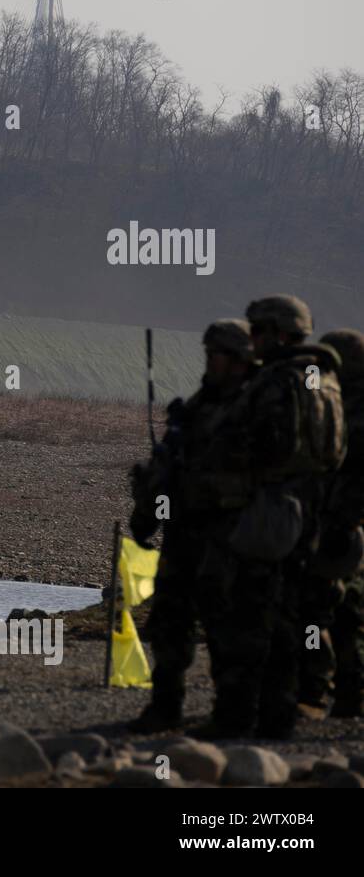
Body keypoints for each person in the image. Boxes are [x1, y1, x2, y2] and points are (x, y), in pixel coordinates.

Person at [191, 295, 345, 739]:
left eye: (258, 331)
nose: (253, 340)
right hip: (309, 514)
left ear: (277, 333)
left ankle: (237, 718)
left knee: (250, 620)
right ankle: (278, 716)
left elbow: (259, 448)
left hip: (271, 515)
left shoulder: (278, 382)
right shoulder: (323, 380)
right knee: (290, 619)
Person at [128, 320, 254, 733]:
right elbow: (169, 467)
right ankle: (165, 705)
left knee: (224, 625)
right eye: (208, 353)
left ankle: (231, 712)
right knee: (169, 620)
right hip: (184, 532)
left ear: (236, 359)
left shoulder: (252, 405)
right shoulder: (200, 405)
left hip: (227, 535)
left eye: (215, 353)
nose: (209, 360)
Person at [306, 328, 364, 718]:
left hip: (345, 526)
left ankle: (325, 689)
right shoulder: (340, 404)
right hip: (340, 523)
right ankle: (345, 692)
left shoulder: (351, 409)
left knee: (334, 610)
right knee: (345, 613)